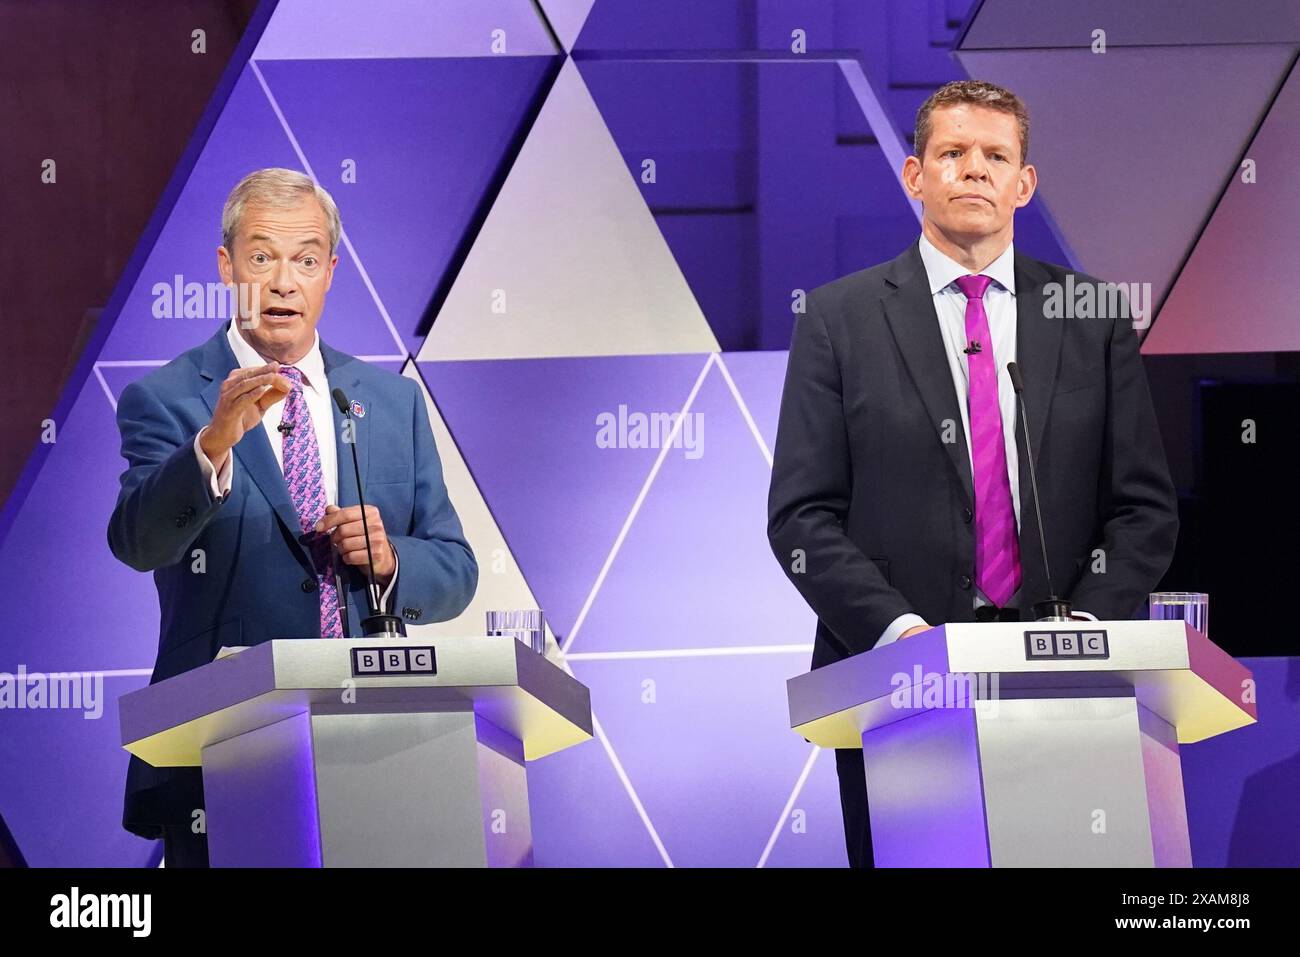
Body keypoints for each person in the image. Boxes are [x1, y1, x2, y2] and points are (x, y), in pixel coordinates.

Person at [766, 80, 1178, 868]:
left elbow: (1144, 508)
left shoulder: (1088, 316)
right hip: (899, 687)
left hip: (1069, 687)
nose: (974, 171)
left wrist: (1082, 632)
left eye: (996, 156)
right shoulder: (838, 319)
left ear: (1024, 183)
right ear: (914, 175)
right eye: (953, 154)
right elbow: (801, 517)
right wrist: (901, 633)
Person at [108, 168, 478, 866]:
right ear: (227, 267)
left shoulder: (390, 403)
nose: (284, 281)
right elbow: (137, 540)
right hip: (224, 764)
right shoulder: (167, 400)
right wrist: (213, 444)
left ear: (330, 272)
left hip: (379, 755)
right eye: (262, 257)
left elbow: (456, 569)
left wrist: (393, 559)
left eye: (306, 259)